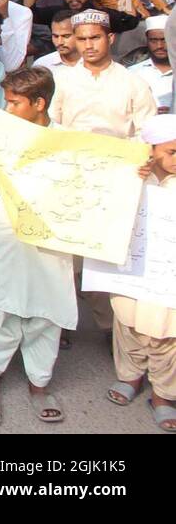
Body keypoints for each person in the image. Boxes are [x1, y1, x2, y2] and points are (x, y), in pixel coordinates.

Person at [0, 67, 77, 424]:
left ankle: (40, 384)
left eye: (14, 102)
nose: (6, 108)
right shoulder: (1, 134)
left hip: (52, 238)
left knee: (45, 314)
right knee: (0, 308)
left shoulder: (68, 140)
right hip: (9, 233)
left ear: (39, 103)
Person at [104, 114, 176, 432]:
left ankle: (164, 395)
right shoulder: (129, 175)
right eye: (171, 152)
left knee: (165, 332)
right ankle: (130, 377)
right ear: (150, 150)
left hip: (166, 273)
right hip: (131, 267)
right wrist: (132, 179)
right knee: (128, 321)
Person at [49, 10, 157, 139]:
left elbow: (147, 133)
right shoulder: (61, 80)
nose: (88, 46)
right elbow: (52, 126)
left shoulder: (134, 83)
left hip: (121, 156)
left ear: (110, 38)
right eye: (81, 39)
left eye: (95, 38)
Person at [129, 16, 173, 112]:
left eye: (164, 40)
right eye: (153, 40)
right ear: (147, 41)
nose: (159, 46)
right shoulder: (132, 73)